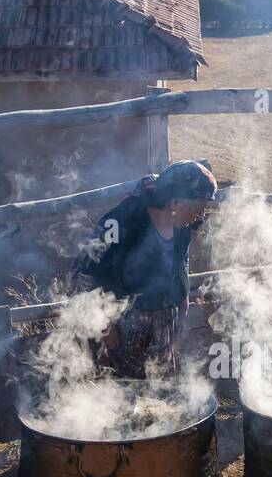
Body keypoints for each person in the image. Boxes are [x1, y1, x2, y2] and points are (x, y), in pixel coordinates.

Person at [71, 159, 217, 377]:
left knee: (160, 395)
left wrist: (182, 304)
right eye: (198, 208)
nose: (201, 216)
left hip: (163, 324)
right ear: (175, 202)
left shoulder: (182, 227)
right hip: (120, 327)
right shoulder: (121, 223)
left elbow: (180, 265)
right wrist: (105, 327)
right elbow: (84, 275)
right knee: (121, 395)